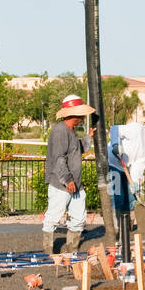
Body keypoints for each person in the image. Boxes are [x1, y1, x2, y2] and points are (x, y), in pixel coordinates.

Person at [42, 94, 95, 255]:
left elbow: (75, 150)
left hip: (74, 184)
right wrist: (67, 180)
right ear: (75, 114)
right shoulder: (60, 132)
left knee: (78, 218)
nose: (83, 118)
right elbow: (59, 158)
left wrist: (88, 138)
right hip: (62, 184)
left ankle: (72, 249)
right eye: (81, 114)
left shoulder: (69, 131)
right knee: (53, 217)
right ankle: (48, 251)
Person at [108, 119, 145, 217]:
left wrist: (134, 182)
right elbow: (115, 129)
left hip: (125, 167)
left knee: (128, 199)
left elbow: (138, 165)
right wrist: (115, 145)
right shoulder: (137, 129)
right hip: (113, 163)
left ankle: (126, 227)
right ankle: (116, 227)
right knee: (118, 196)